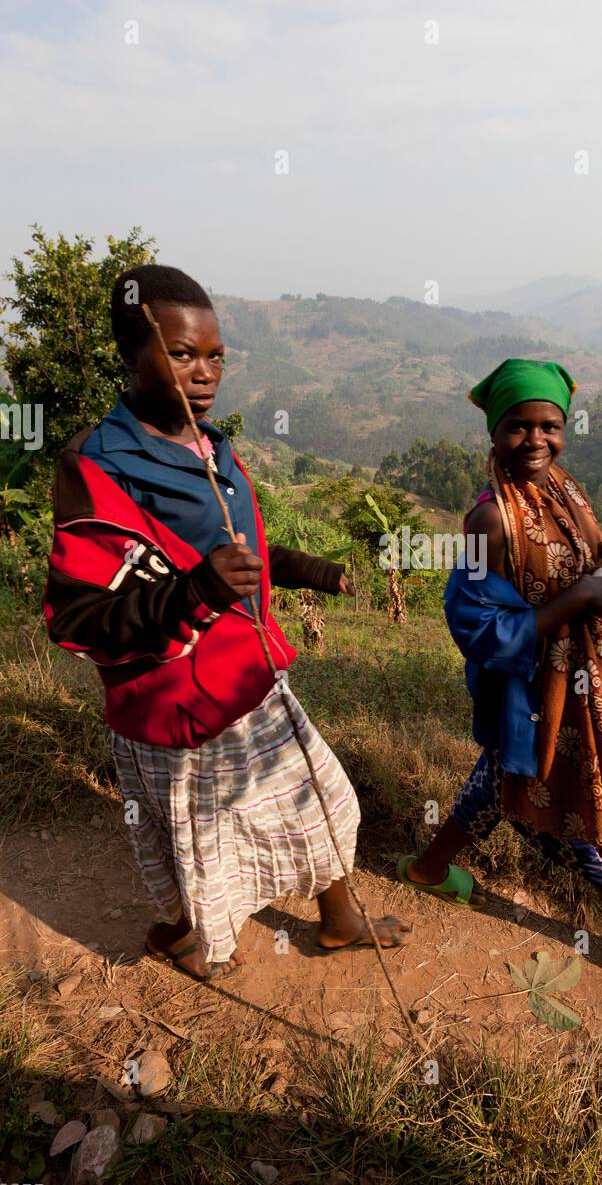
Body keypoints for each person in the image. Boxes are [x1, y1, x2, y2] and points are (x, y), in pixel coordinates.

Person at [44, 264, 410, 979]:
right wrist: (192, 595)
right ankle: (189, 937)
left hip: (249, 671)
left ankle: (338, 920)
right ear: (131, 356)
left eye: (215, 356)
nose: (204, 372)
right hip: (177, 697)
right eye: (181, 354)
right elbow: (81, 616)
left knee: (325, 797)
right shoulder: (100, 464)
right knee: (199, 838)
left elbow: (240, 548)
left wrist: (310, 570)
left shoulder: (211, 445)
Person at [398, 358, 602, 979]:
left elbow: (575, 560)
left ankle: (428, 870)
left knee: (497, 778)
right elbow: (475, 627)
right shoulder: (492, 520)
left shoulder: (560, 488)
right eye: (520, 427)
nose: (537, 440)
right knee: (579, 800)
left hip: (573, 684)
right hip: (537, 695)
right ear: (495, 432)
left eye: (550, 426)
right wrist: (577, 600)